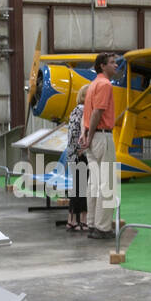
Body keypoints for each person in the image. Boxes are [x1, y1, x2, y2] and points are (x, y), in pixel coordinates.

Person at [80, 52, 120, 239]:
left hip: (92, 137)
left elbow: (85, 114)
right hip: (102, 136)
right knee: (107, 182)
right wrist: (93, 133)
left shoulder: (92, 85)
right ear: (102, 66)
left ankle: (91, 224)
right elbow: (97, 112)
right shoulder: (105, 85)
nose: (116, 65)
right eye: (112, 63)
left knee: (93, 183)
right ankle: (103, 227)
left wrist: (85, 134)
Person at [64, 86, 89, 231]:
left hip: (73, 155)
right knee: (82, 189)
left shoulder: (75, 110)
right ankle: (83, 220)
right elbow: (77, 133)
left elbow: (72, 133)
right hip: (80, 155)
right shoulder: (83, 111)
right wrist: (81, 149)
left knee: (77, 188)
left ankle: (71, 219)